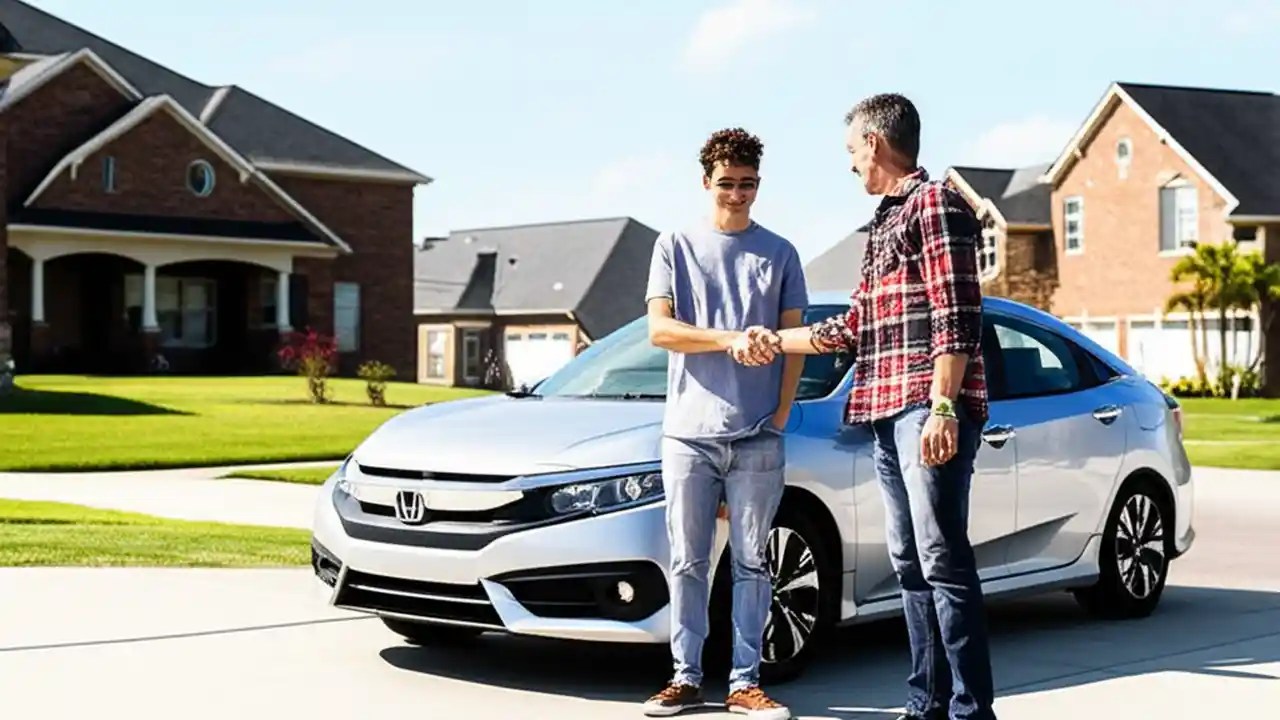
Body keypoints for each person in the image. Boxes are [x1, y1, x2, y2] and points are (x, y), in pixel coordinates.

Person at [739, 94, 997, 720]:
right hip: (884, 411)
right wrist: (776, 341)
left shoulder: (936, 205)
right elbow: (855, 325)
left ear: (875, 144)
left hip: (923, 407)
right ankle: (926, 703)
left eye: (852, 149)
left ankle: (970, 709)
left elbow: (957, 314)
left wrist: (942, 407)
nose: (850, 163)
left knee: (941, 558)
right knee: (909, 563)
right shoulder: (886, 220)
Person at [642, 127, 808, 720]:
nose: (737, 195)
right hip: (688, 434)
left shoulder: (781, 253)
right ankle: (684, 678)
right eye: (726, 184)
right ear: (705, 181)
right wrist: (729, 339)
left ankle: (745, 683)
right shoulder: (674, 245)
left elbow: (792, 342)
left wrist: (782, 415)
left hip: (759, 433)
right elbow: (660, 331)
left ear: (758, 183)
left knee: (753, 563)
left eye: (748, 184)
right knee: (687, 561)